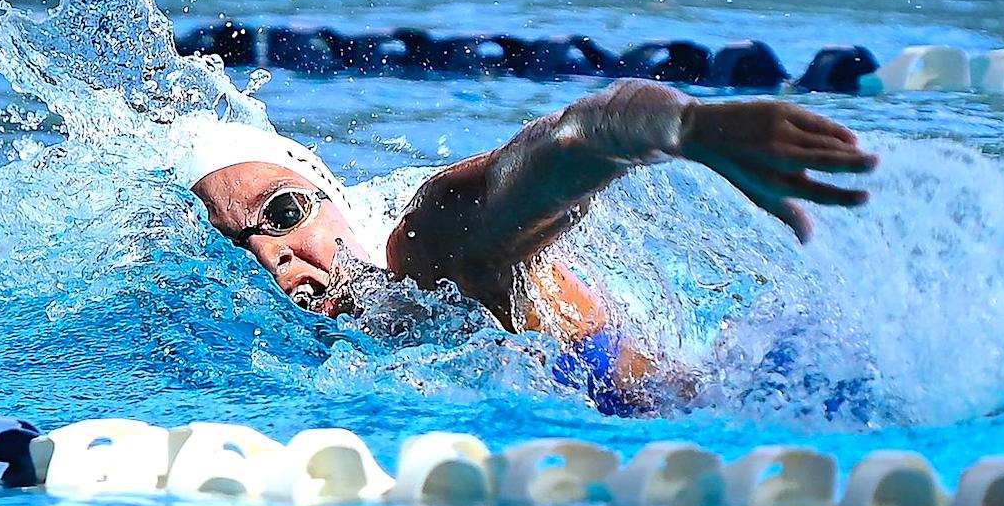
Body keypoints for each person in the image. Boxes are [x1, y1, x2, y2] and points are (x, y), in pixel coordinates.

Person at [177, 78, 878, 414]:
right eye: (234, 247)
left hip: (771, 405)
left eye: (284, 213)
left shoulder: (425, 254)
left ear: (330, 194)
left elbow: (549, 153)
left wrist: (681, 130)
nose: (273, 257)